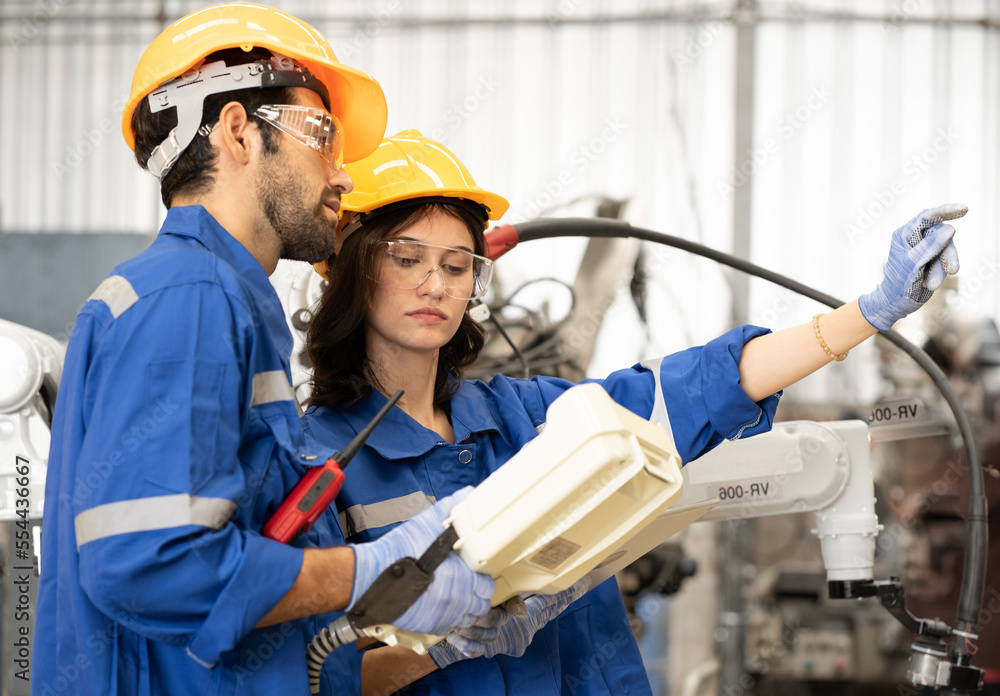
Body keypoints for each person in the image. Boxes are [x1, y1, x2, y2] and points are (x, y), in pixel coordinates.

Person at [299, 127, 965, 695]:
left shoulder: (531, 418)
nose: (435, 285)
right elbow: (311, 675)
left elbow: (703, 385)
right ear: (353, 270)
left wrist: (870, 312)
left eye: (456, 265)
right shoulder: (315, 464)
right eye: (407, 258)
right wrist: (438, 649)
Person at [33, 8, 494, 696]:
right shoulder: (190, 297)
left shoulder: (218, 298)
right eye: (322, 138)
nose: (342, 177)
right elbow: (150, 566)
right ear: (238, 132)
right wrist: (366, 570)